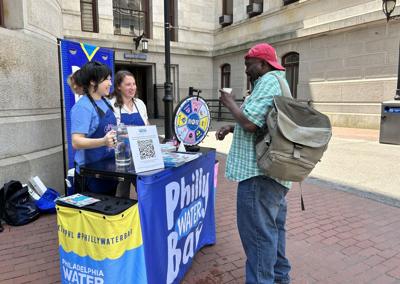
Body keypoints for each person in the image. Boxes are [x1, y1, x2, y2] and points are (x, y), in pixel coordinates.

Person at [216, 43, 292, 284]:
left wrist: (229, 102)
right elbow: (262, 122)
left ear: (263, 64)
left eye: (249, 65)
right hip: (275, 175)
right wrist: (231, 127)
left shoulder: (268, 81)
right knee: (273, 234)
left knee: (259, 239)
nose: (246, 70)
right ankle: (280, 279)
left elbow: (251, 123)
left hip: (259, 176)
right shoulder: (279, 81)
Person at [70, 61, 118, 196]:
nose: (110, 83)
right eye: (106, 80)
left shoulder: (106, 102)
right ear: (92, 81)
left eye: (110, 79)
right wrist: (103, 141)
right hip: (90, 173)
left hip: (108, 169)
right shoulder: (83, 107)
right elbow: (76, 142)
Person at [109, 70, 149, 198]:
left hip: (141, 157)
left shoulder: (140, 104)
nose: (132, 88)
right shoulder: (111, 104)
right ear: (118, 86)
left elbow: (147, 127)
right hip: (121, 158)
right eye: (128, 84)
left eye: (134, 84)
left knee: (144, 191)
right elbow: (111, 131)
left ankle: (142, 217)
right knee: (121, 194)